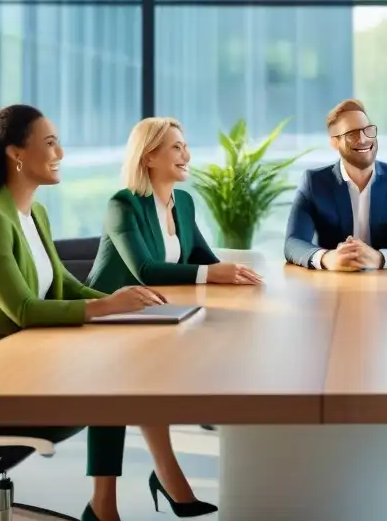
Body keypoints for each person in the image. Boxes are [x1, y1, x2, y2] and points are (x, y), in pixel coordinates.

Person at [0, 105, 173, 521]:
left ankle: (107, 505)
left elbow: (61, 284)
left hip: (23, 361)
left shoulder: (34, 213)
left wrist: (121, 299)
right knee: (113, 380)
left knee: (125, 367)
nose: (60, 151)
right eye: (49, 142)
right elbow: (23, 309)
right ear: (16, 154)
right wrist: (105, 306)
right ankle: (108, 505)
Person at [83, 117, 263, 520]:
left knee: (150, 377)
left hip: (151, 315)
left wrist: (239, 279)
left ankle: (164, 477)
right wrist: (210, 273)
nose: (187, 154)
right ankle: (104, 502)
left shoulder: (182, 203)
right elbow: (144, 269)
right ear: (149, 157)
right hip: (106, 316)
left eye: (185, 145)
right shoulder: (122, 204)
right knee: (120, 384)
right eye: (177, 147)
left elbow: (203, 259)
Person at [284, 99, 387, 271]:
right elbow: (293, 242)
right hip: (332, 285)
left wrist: (381, 258)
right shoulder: (314, 182)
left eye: (367, 130)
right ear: (334, 142)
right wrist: (327, 258)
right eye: (352, 134)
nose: (363, 139)